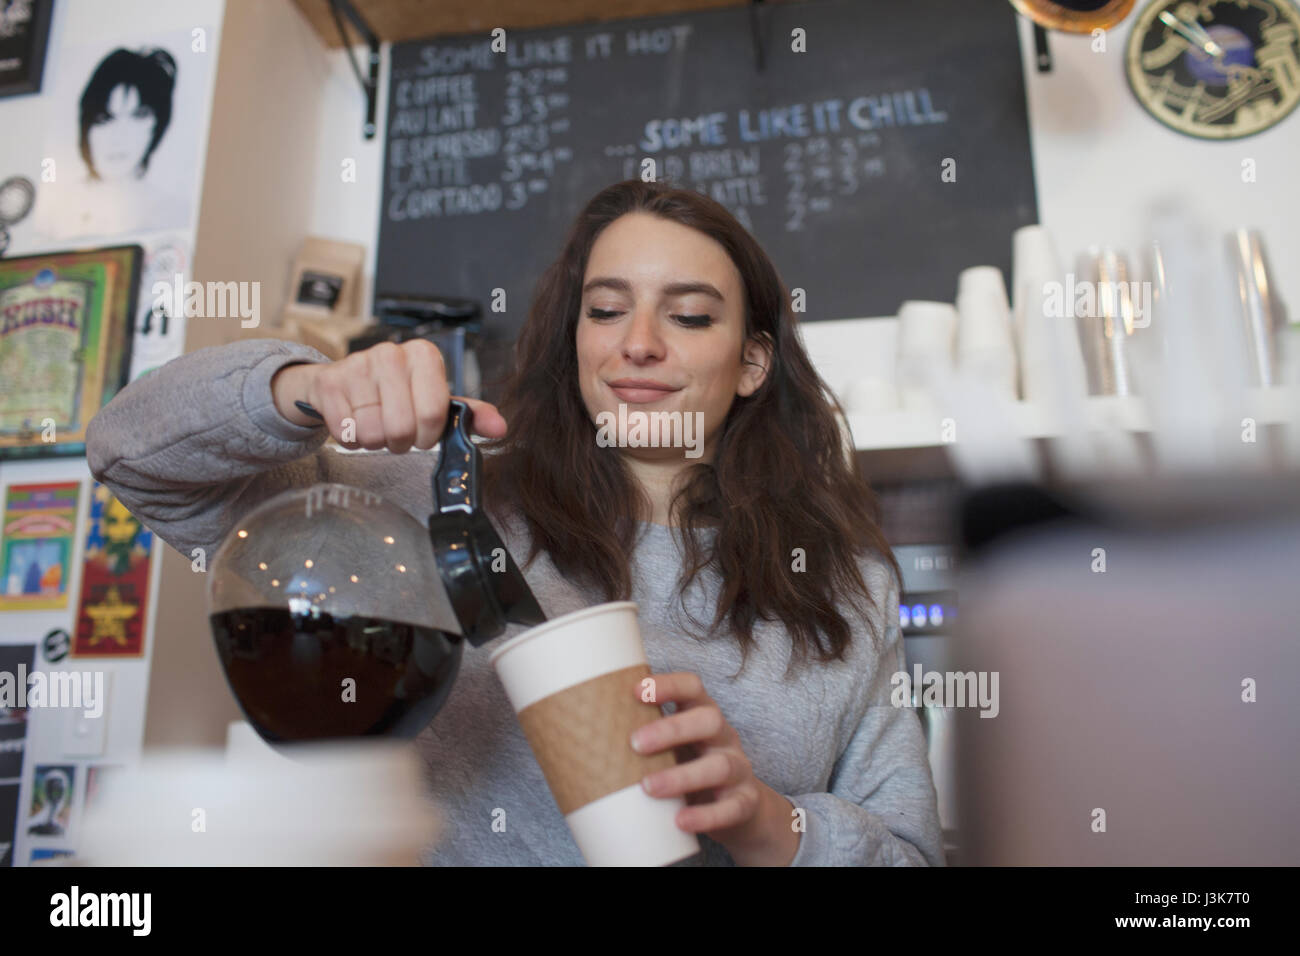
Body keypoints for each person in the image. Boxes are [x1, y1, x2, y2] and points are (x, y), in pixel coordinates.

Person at [85, 179, 944, 866]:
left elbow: (909, 855)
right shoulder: (432, 501)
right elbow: (131, 451)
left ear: (754, 360)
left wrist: (765, 821)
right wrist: (304, 389)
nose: (637, 343)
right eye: (605, 310)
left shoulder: (845, 584)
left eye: (687, 315)